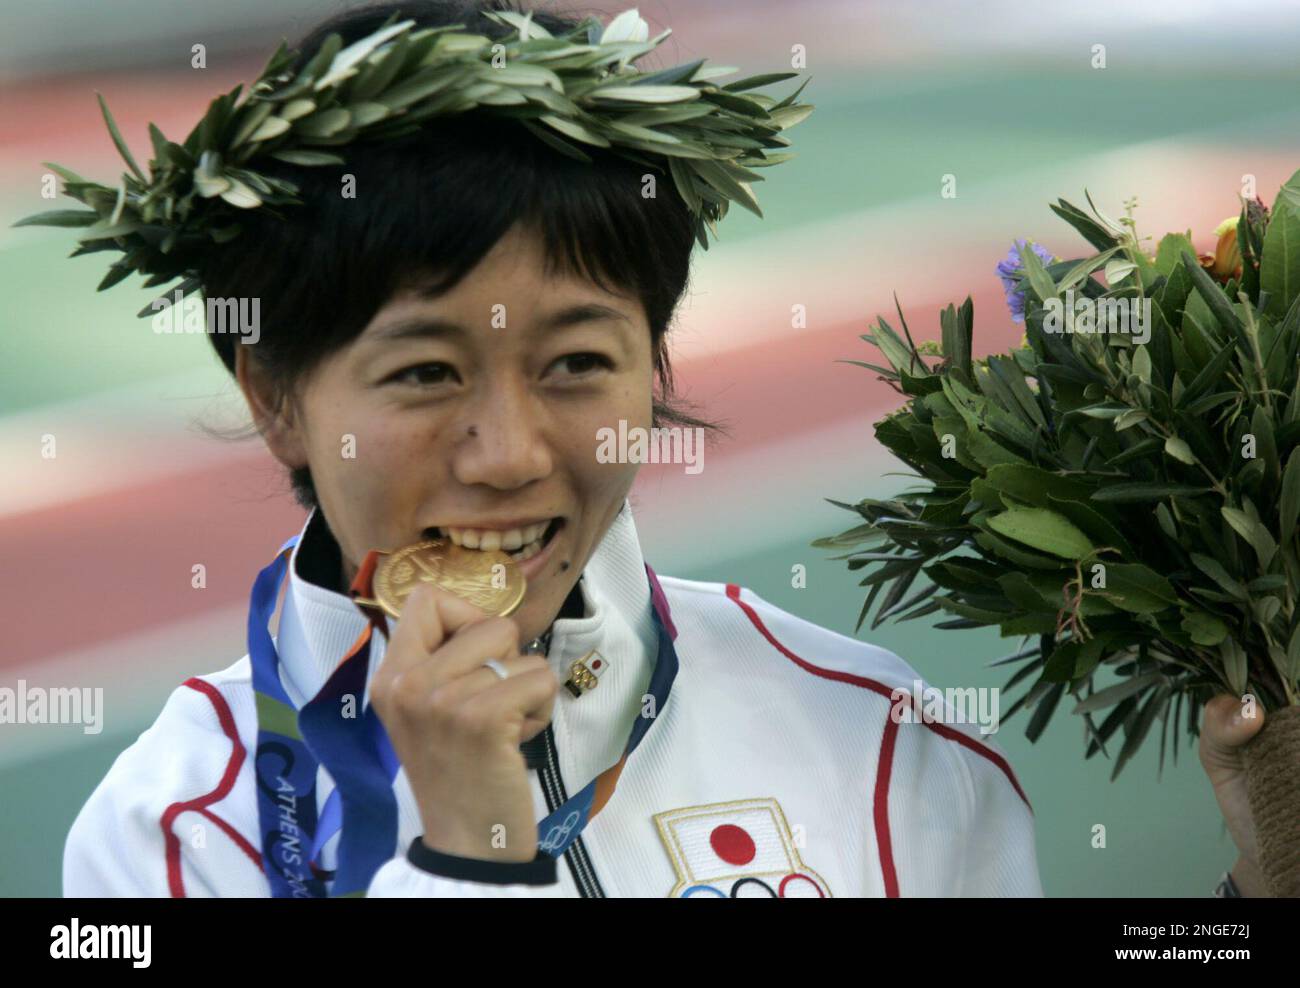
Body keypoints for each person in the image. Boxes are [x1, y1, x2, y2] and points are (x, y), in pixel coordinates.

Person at [49, 0, 1266, 898]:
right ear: (270, 390)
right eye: (425, 373)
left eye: (576, 362)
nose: (509, 450)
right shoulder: (175, 838)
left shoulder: (879, 737)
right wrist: (465, 858)